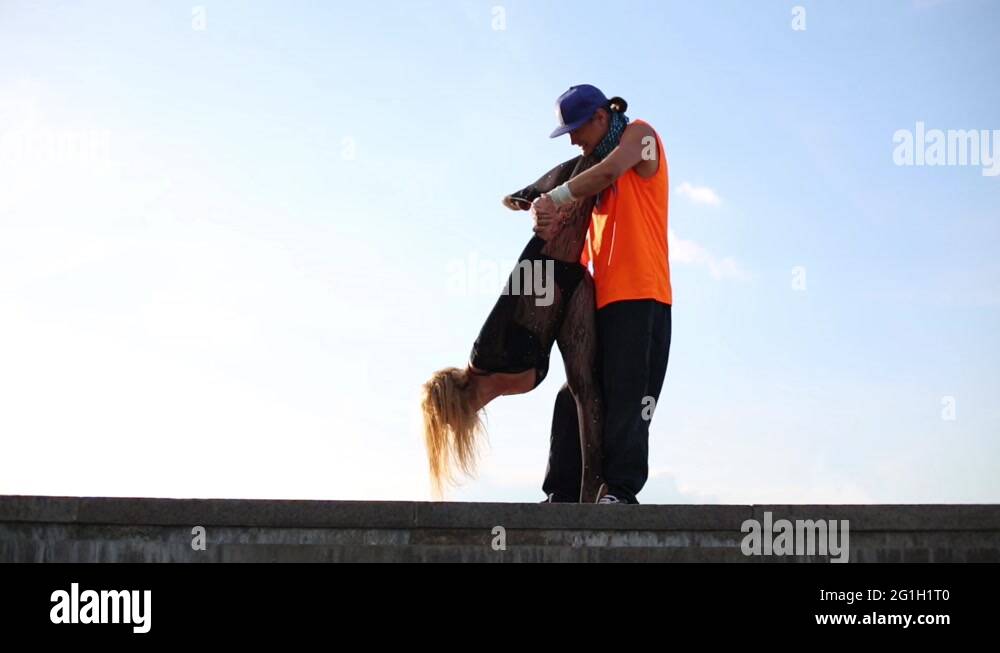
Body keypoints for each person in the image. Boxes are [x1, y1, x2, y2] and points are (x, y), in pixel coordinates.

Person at [531, 84, 672, 505]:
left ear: (601, 116)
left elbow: (610, 171)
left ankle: (621, 491)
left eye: (577, 129)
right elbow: (568, 219)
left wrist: (555, 195)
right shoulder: (587, 173)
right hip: (598, 297)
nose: (573, 139)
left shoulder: (640, 137)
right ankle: (562, 491)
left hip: (640, 292)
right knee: (575, 388)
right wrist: (546, 219)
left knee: (630, 392)